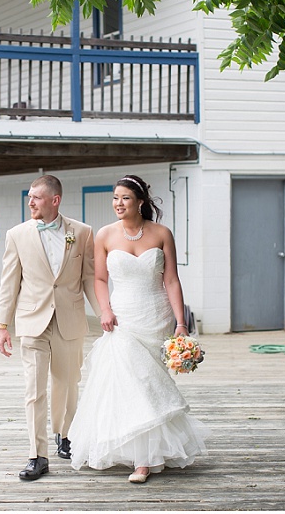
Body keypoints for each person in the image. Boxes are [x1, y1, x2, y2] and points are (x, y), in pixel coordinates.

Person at [68, 174, 210, 483]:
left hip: (156, 316)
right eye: (115, 198)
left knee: (150, 383)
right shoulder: (105, 235)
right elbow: (100, 280)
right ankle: (142, 460)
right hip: (123, 317)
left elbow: (171, 279)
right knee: (132, 381)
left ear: (140, 202)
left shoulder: (161, 233)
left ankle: (148, 454)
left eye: (125, 198)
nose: (118, 203)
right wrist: (104, 310)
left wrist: (181, 322)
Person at [0, 175, 100, 481]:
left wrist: (105, 315)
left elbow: (89, 279)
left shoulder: (82, 233)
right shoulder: (16, 235)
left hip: (70, 319)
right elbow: (8, 283)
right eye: (29, 197)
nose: (30, 202)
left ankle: (64, 434)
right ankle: (36, 455)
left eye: (36, 198)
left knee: (67, 383)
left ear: (55, 200)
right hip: (32, 321)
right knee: (34, 389)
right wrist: (2, 324)